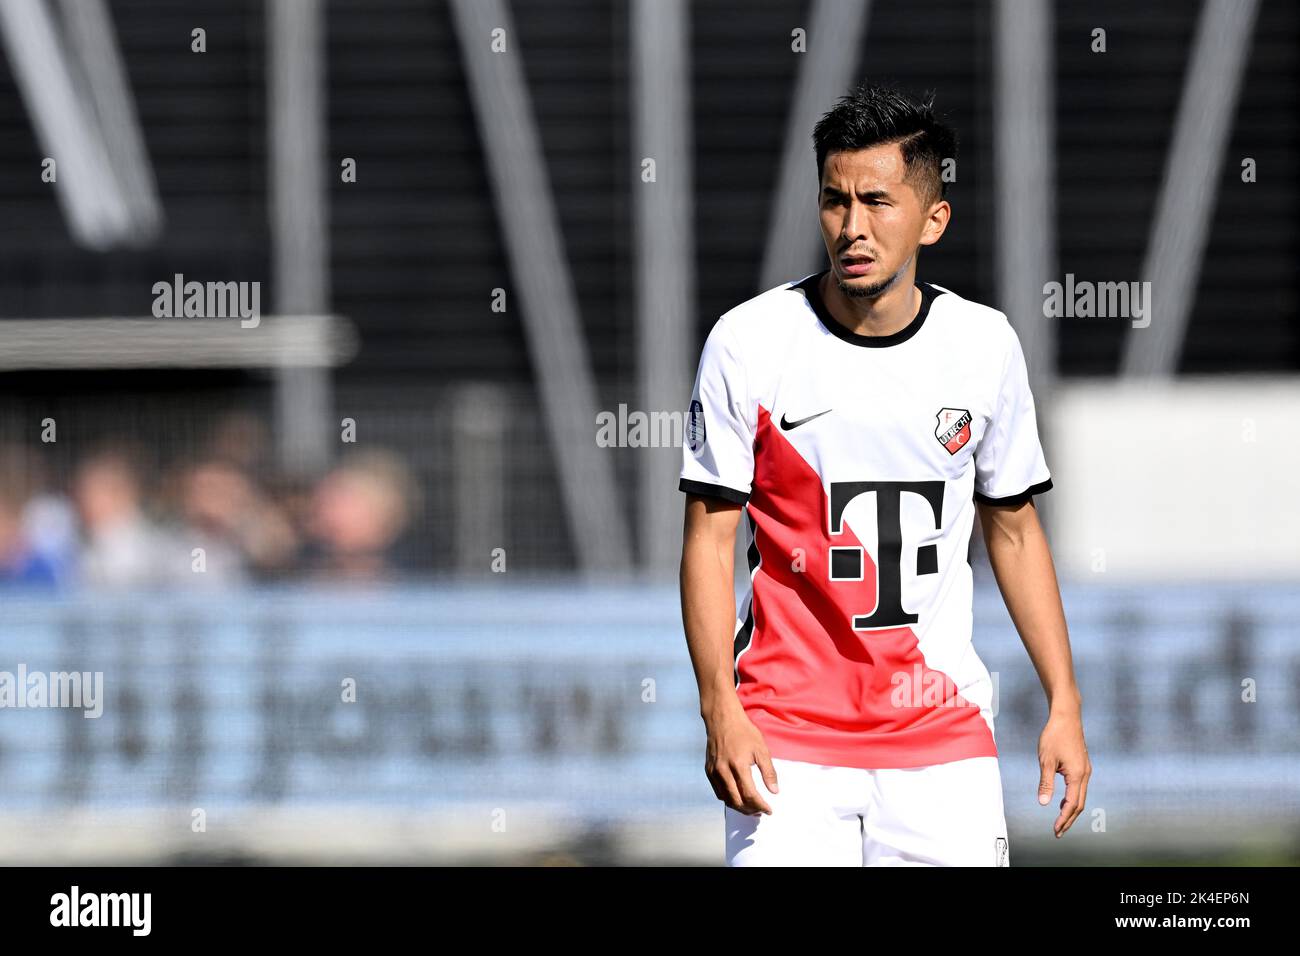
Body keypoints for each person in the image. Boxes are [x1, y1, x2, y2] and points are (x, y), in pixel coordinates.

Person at [678, 83, 1090, 866]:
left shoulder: (984, 345)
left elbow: (1014, 532)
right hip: (785, 737)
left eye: (877, 201)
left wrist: (1063, 702)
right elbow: (707, 543)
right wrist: (719, 710)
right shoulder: (749, 342)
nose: (853, 227)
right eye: (835, 201)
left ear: (934, 217)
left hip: (941, 736)